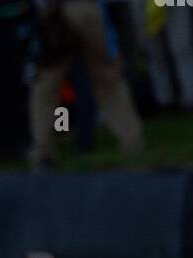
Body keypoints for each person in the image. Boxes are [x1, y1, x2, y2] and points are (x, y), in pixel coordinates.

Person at [28, 0, 143, 169]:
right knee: (109, 83)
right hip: (87, 10)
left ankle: (42, 152)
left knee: (46, 88)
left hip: (55, 13)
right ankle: (133, 143)